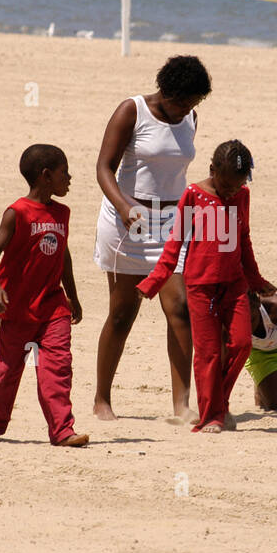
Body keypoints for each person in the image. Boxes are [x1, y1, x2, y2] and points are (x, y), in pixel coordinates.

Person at [93, 55, 211, 422]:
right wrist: (125, 207)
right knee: (123, 313)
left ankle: (181, 404)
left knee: (179, 309)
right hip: (129, 220)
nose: (188, 110)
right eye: (184, 102)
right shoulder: (133, 110)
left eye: (194, 104)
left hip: (172, 223)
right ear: (168, 91)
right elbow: (103, 168)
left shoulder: (189, 117)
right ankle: (102, 399)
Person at [139, 140, 275, 433]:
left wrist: (256, 280)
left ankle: (218, 403)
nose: (231, 192)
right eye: (227, 186)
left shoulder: (243, 196)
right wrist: (154, 280)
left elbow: (244, 240)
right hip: (201, 286)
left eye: (237, 186)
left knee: (241, 343)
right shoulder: (193, 195)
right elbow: (176, 242)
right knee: (208, 353)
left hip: (235, 283)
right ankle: (211, 415)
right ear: (212, 170)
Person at [0, 144, 88, 447]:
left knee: (58, 368)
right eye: (64, 171)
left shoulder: (62, 213)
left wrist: (73, 295)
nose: (69, 177)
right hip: (16, 309)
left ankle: (62, 430)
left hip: (53, 307)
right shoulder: (18, 213)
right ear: (45, 176)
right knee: (5, 372)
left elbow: (63, 254)